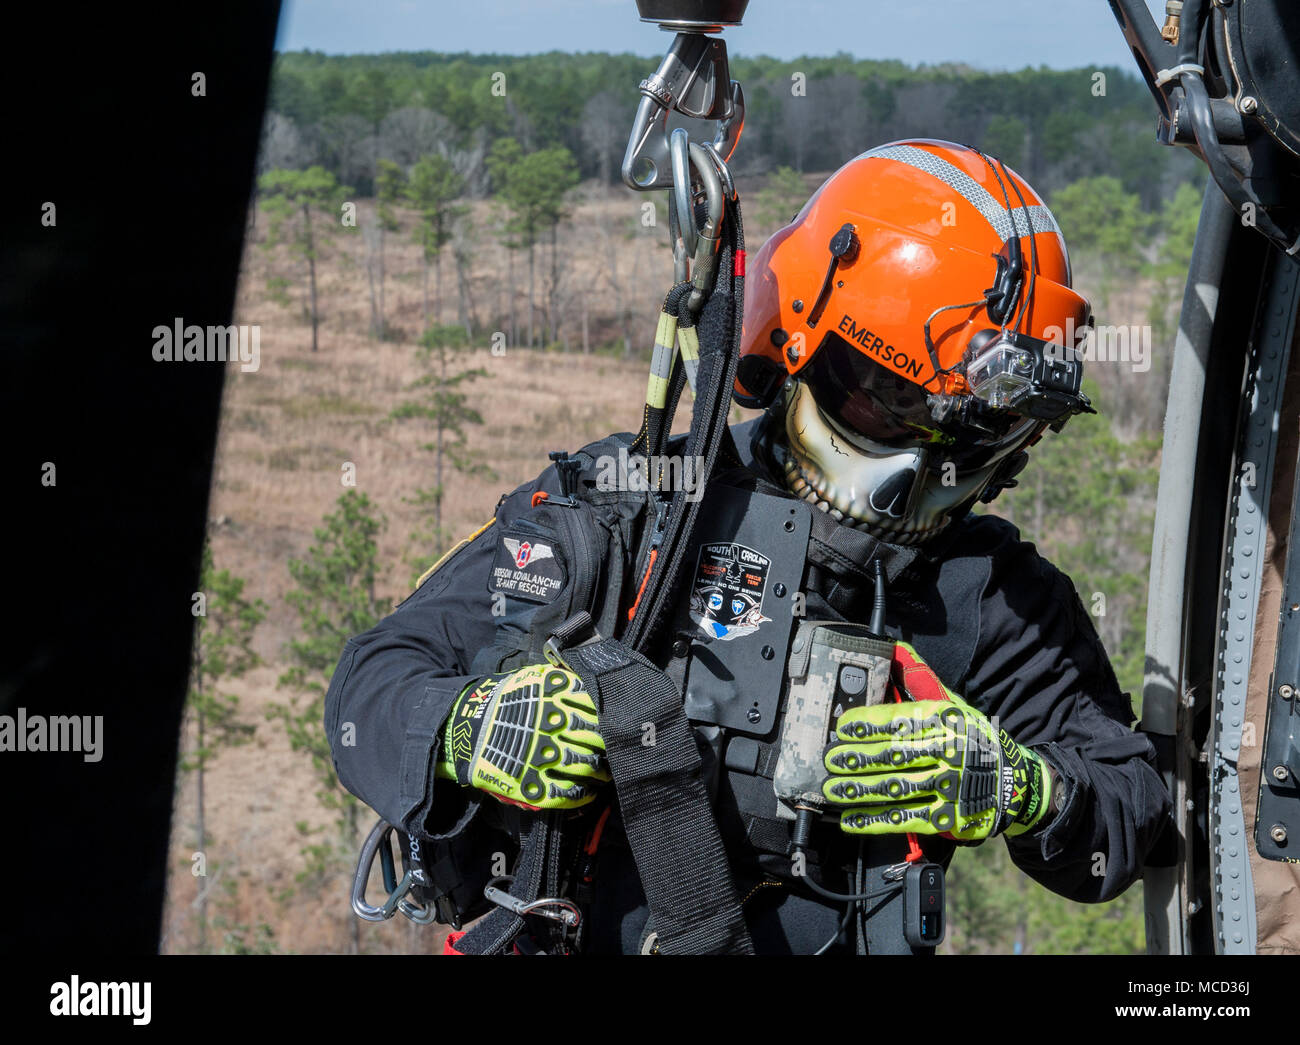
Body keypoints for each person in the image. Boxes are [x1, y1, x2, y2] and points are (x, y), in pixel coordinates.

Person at [325, 139, 1172, 955]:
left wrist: (1022, 789)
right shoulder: (635, 505)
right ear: (801, 348)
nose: (920, 459)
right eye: (890, 403)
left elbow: (1132, 803)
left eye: (967, 431)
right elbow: (373, 679)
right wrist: (470, 725)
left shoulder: (988, 595)